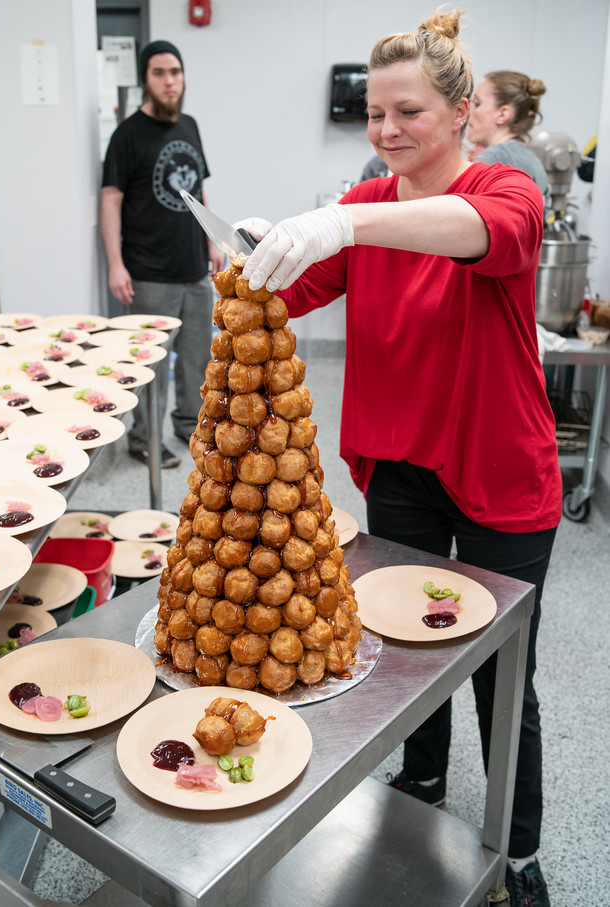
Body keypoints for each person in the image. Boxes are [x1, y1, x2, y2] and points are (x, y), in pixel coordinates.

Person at [237, 10, 560, 907]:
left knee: (503, 674)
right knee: (405, 653)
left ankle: (517, 850)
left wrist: (347, 227)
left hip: (500, 474)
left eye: (407, 112)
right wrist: (253, 251)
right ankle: (420, 784)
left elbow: (480, 233)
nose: (385, 133)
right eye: (376, 115)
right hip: (404, 467)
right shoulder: (367, 205)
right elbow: (291, 291)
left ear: (462, 111)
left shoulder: (507, 191)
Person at [101, 40, 225, 468]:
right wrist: (115, 264)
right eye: (159, 73)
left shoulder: (189, 125)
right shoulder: (127, 135)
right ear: (145, 80)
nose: (170, 80)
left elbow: (199, 190)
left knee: (195, 358)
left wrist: (212, 239)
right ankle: (143, 438)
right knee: (149, 365)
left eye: (175, 71)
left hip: (193, 268)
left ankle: (189, 426)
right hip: (149, 272)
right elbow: (111, 199)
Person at [467, 70, 550, 197]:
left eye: (477, 104)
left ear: (502, 114)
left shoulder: (492, 159)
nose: (468, 111)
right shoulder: (533, 160)